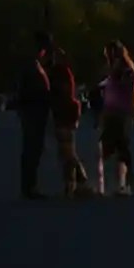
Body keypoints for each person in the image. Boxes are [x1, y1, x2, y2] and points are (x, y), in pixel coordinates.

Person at [46, 46, 91, 197]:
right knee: (67, 152)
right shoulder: (62, 73)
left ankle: (73, 184)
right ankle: (78, 182)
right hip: (65, 113)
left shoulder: (59, 73)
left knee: (67, 152)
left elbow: (61, 94)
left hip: (64, 114)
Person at [15, 32, 53, 199]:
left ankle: (30, 186)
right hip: (33, 112)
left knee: (34, 150)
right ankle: (29, 187)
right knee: (32, 149)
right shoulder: (31, 67)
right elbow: (26, 91)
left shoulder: (35, 65)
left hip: (35, 112)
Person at [98, 41, 134, 197]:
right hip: (110, 111)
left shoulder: (126, 70)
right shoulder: (109, 70)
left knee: (121, 147)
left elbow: (131, 88)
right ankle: (108, 184)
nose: (107, 56)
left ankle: (123, 184)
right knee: (108, 148)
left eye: (109, 53)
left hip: (122, 112)